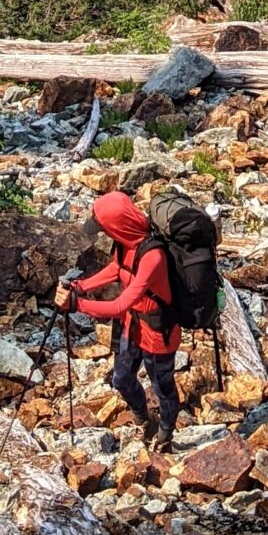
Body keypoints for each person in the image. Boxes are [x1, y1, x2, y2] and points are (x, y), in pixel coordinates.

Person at [55, 188, 181, 451]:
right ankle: (144, 420)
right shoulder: (125, 243)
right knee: (121, 379)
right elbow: (117, 269)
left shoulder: (153, 257)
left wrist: (76, 304)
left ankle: (165, 436)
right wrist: (80, 287)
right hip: (132, 325)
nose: (104, 234)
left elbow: (119, 304)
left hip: (158, 333)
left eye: (105, 229)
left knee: (163, 388)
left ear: (117, 227)